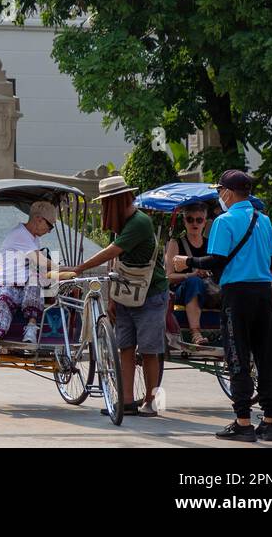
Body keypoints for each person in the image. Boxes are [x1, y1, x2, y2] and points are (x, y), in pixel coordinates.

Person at [173, 170, 272, 442]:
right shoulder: (264, 220)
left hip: (237, 294)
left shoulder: (224, 221)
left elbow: (215, 261)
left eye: (220, 191)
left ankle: (243, 421)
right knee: (266, 356)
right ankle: (269, 422)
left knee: (237, 356)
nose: (219, 196)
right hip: (264, 293)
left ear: (229, 193)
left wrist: (188, 262)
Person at [69, 175, 167, 418]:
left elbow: (112, 252)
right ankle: (126, 401)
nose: (103, 208)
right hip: (124, 292)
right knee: (125, 347)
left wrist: (79, 267)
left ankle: (150, 401)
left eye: (105, 203)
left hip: (150, 294)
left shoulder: (139, 222)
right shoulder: (120, 224)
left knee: (148, 350)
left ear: (116, 201)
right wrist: (112, 298)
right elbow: (116, 263)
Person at [0, 200, 58, 359]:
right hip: (9, 282)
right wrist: (69, 269)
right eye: (50, 225)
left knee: (34, 283)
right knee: (5, 300)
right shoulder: (20, 234)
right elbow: (41, 262)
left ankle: (31, 327)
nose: (49, 230)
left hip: (27, 283)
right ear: (38, 219)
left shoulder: (34, 238)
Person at [165, 202, 219, 345]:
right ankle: (195, 332)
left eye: (199, 220)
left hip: (210, 290)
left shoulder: (211, 244)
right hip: (182, 291)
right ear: (184, 221)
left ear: (205, 222)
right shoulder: (175, 244)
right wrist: (191, 275)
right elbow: (169, 277)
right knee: (194, 282)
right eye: (190, 219)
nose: (194, 223)